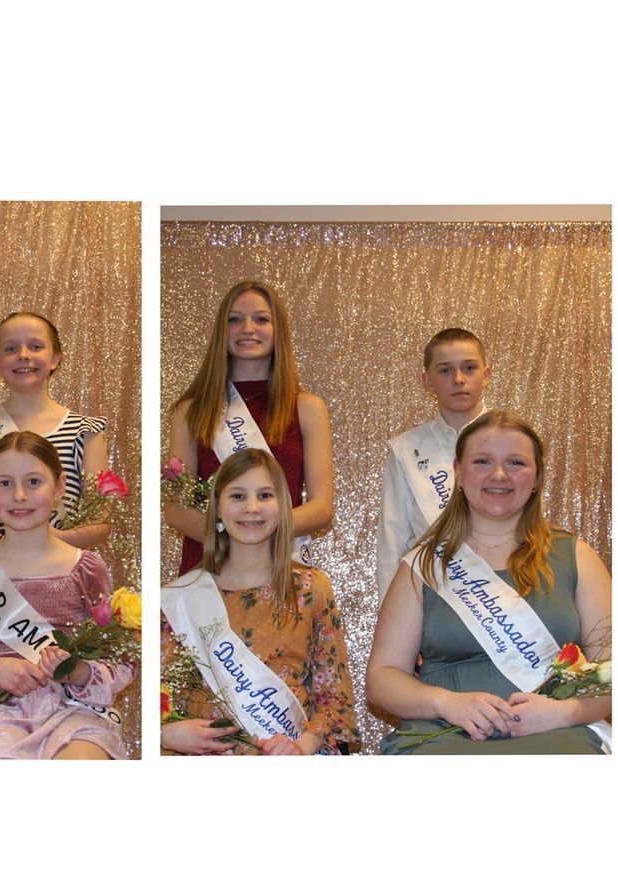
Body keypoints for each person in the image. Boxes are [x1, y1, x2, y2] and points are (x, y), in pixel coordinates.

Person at [366, 411, 611, 754]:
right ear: (459, 473)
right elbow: (382, 678)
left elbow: (615, 669)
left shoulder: (578, 557)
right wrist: (445, 704)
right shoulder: (422, 565)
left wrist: (563, 713)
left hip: (558, 732)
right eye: (482, 461)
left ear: (537, 476)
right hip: (441, 733)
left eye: (515, 463)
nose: (499, 475)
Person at [0, 431, 134, 759]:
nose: (20, 495)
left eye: (34, 481)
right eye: (4, 483)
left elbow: (121, 660)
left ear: (59, 487)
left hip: (74, 713)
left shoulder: (85, 568)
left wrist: (79, 671)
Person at [160, 449, 358, 756]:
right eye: (237, 496)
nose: (252, 508)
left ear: (283, 506)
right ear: (218, 508)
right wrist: (166, 734)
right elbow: (159, 695)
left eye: (265, 495)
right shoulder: (181, 600)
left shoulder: (311, 589)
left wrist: (300, 747)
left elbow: (335, 701)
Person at [164, 281, 334, 575]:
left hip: (278, 566)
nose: (247, 328)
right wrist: (234, 543)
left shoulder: (307, 408)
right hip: (209, 569)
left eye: (261, 319)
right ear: (222, 331)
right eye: (234, 319)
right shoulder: (191, 410)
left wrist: (254, 535)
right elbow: (176, 508)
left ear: (277, 329)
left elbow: (321, 507)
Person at [0, 310, 110, 552]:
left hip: (60, 570)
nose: (23, 355)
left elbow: (99, 520)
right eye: (10, 349)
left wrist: (50, 546)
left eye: (36, 346)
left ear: (55, 358)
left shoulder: (85, 432)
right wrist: (8, 547)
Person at [376, 327, 491, 603]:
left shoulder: (514, 441)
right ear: (427, 380)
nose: (459, 379)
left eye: (469, 368)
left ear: (486, 375)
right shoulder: (406, 449)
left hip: (501, 604)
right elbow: (392, 543)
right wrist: (393, 630)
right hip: (432, 599)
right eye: (445, 370)